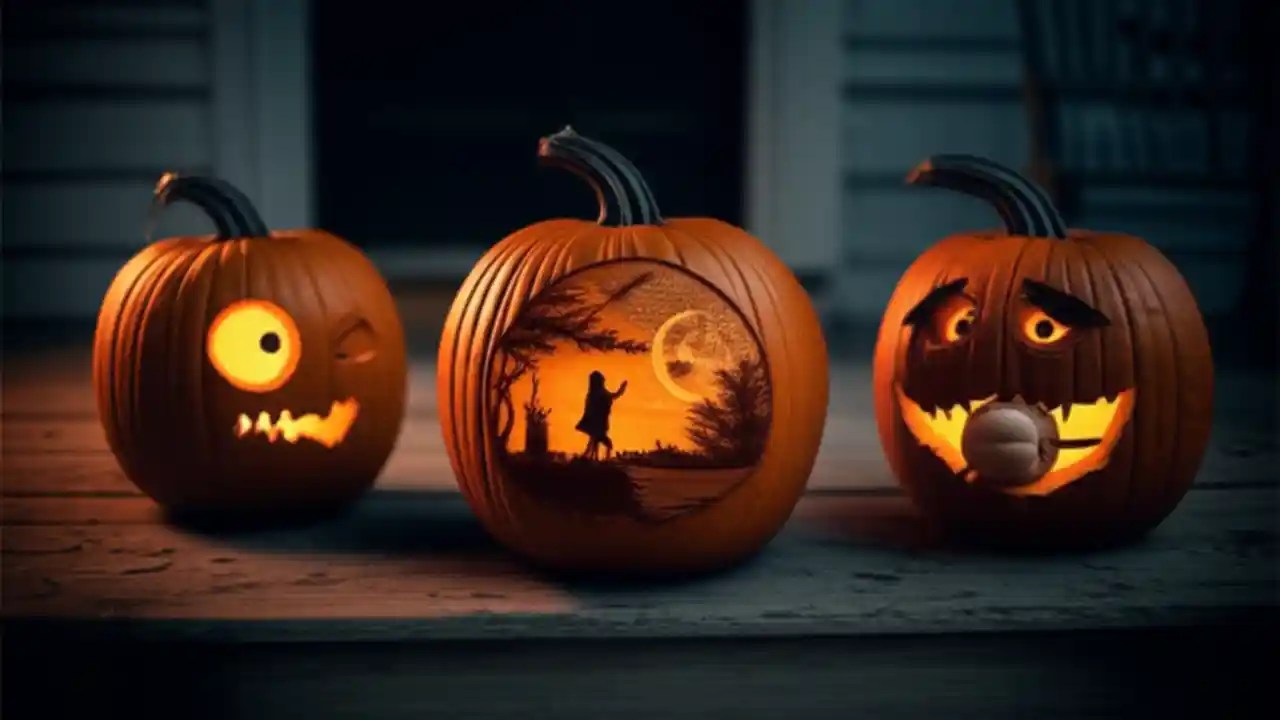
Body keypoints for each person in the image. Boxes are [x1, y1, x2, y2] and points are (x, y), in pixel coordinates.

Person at [575, 370, 627, 461]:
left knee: (594, 443)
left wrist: (622, 389)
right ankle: (602, 461)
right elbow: (614, 396)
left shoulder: (593, 395)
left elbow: (613, 396)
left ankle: (595, 460)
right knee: (604, 444)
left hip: (598, 425)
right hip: (599, 425)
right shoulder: (598, 394)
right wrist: (622, 389)